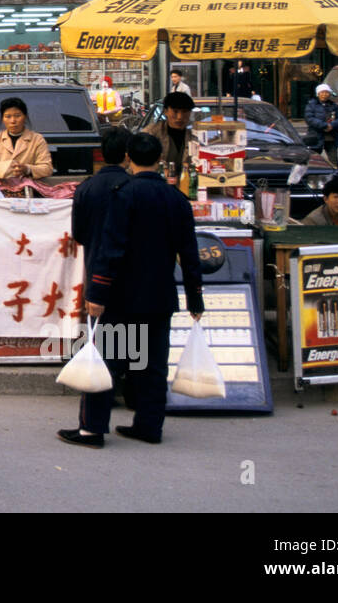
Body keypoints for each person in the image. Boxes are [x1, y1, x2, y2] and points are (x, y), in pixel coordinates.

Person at [58, 132, 204, 449]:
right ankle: (149, 426)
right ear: (158, 160)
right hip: (160, 296)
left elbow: (111, 249)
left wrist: (96, 294)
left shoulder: (122, 194)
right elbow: (190, 253)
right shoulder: (177, 200)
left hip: (120, 296)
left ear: (129, 158)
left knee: (107, 360)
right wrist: (195, 297)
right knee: (153, 366)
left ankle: (92, 429)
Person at [71, 127, 133, 275]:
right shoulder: (134, 186)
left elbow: (78, 234)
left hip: (96, 267)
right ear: (128, 155)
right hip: (129, 269)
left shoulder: (85, 188)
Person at [0, 96, 54, 180]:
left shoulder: (37, 139)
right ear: (2, 119)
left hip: (28, 187)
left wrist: (27, 169)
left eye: (17, 116)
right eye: (8, 116)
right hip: (0, 187)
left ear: (25, 117)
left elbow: (47, 168)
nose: (13, 121)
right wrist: (2, 169)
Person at [143, 90, 194, 174]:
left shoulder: (195, 136)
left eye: (184, 111)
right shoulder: (151, 134)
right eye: (175, 111)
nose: (180, 117)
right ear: (165, 111)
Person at [304, 84, 338, 167]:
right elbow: (309, 119)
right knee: (313, 160)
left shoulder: (334, 106)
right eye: (322, 92)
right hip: (315, 136)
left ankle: (335, 177)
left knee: (333, 161)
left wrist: (332, 125)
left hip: (331, 137)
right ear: (318, 94)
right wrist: (324, 125)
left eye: (327, 92)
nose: (324, 94)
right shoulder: (311, 105)